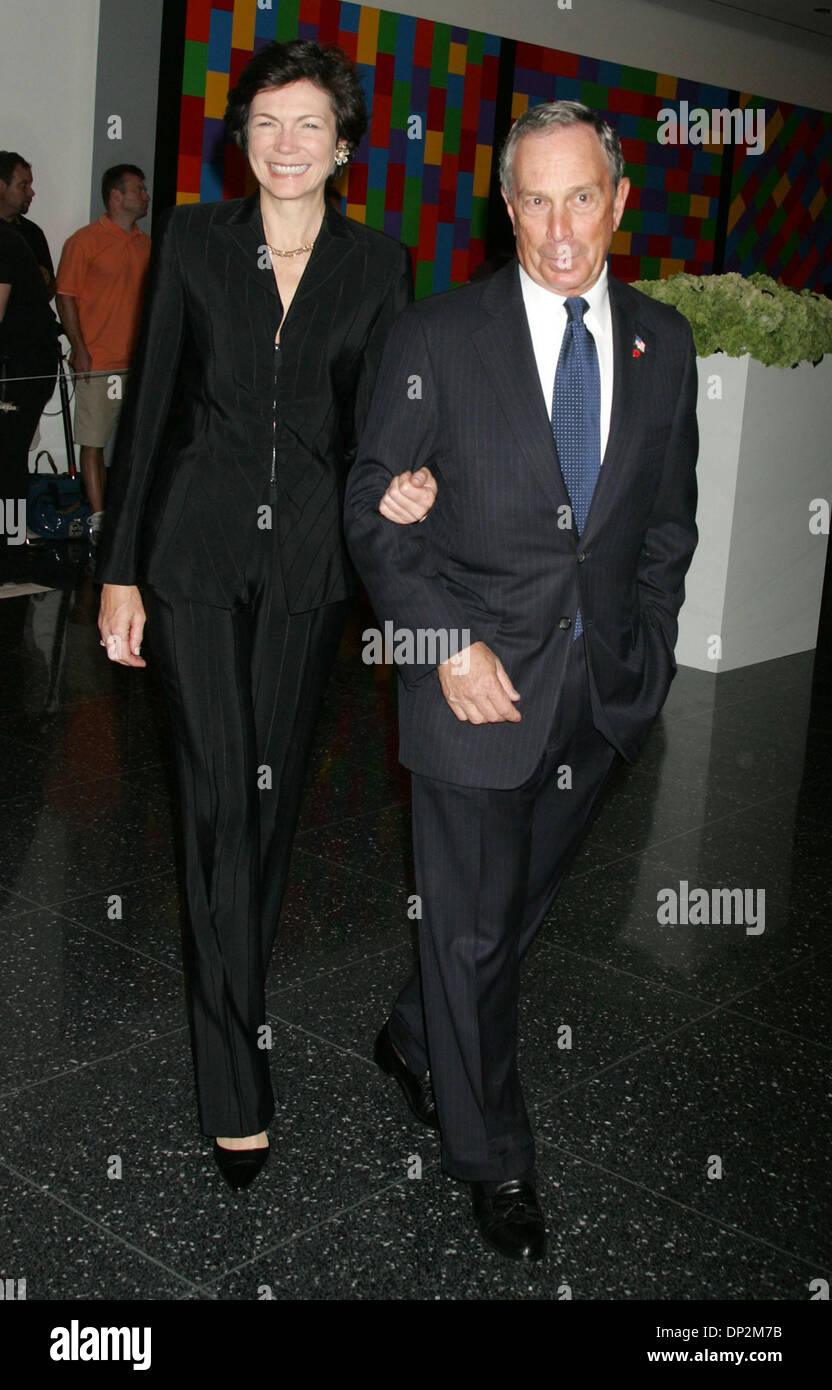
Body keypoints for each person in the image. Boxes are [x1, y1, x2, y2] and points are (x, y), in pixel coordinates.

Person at [344, 100, 699, 1262]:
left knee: (504, 918)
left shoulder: (663, 340)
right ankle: (493, 1157)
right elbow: (372, 509)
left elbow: (663, 524)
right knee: (472, 938)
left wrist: (643, 643)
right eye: (534, 199)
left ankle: (412, 1034)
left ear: (619, 202)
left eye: (581, 196)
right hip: (472, 693)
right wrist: (446, 644)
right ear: (505, 207)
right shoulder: (436, 336)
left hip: (600, 695)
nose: (559, 228)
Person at [95, 40, 434, 1190]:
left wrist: (407, 481)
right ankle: (235, 1074)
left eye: (307, 127)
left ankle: (235, 1007)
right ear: (240, 142)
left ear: (343, 144)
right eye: (264, 127)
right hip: (188, 557)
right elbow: (148, 412)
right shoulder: (192, 238)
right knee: (214, 802)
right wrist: (119, 567)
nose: (285, 147)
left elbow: (384, 418)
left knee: (269, 809)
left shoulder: (379, 264)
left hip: (308, 572)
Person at [56, 165, 151, 542]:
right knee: (93, 441)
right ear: (116, 196)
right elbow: (66, 297)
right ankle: (98, 518)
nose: (145, 196)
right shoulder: (84, 241)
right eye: (138, 190)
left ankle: (128, 515)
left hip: (136, 363)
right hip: (98, 362)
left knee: (134, 443)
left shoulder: (146, 245)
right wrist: (79, 349)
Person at [0, 151, 61, 546]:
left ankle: (9, 536)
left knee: (8, 450)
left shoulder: (15, 237)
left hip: (25, 361)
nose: (31, 192)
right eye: (24, 184)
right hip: (16, 358)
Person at [0, 152, 56, 297]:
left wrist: (44, 279)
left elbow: (51, 290)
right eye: (23, 185)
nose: (31, 192)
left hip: (34, 318)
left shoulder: (32, 232)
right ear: (1, 186)